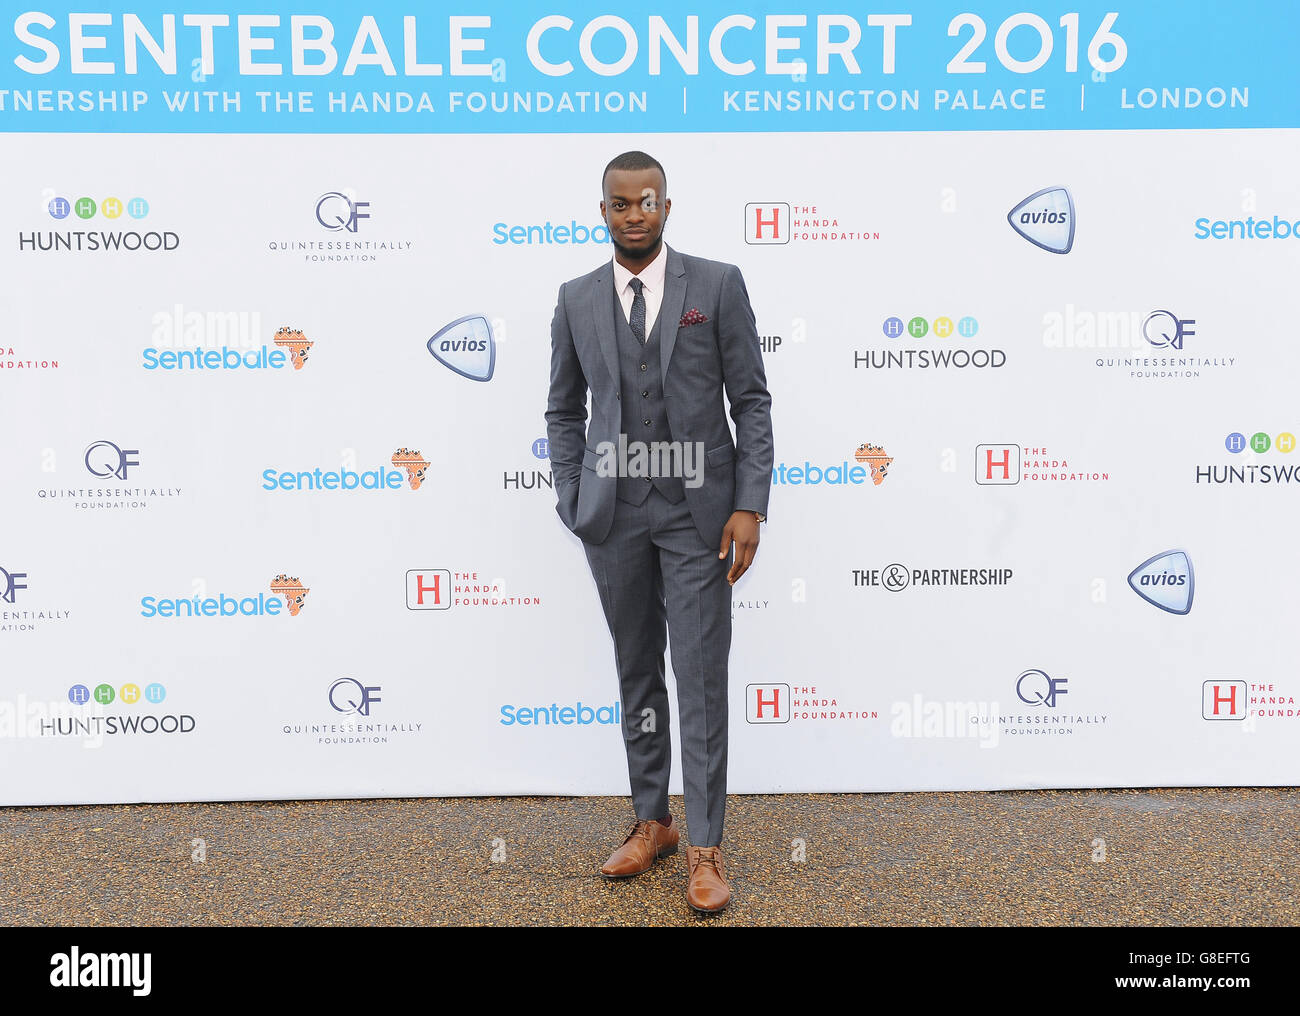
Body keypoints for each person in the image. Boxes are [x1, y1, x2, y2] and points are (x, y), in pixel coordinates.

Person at [545, 150, 774, 914]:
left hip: (697, 517)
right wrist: (575, 499)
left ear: (666, 207)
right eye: (619, 203)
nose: (633, 213)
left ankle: (705, 848)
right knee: (637, 672)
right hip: (615, 518)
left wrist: (751, 503)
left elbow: (752, 399)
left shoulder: (715, 285)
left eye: (647, 201)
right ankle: (653, 822)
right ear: (602, 210)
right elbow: (563, 412)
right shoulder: (576, 299)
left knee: (700, 679)